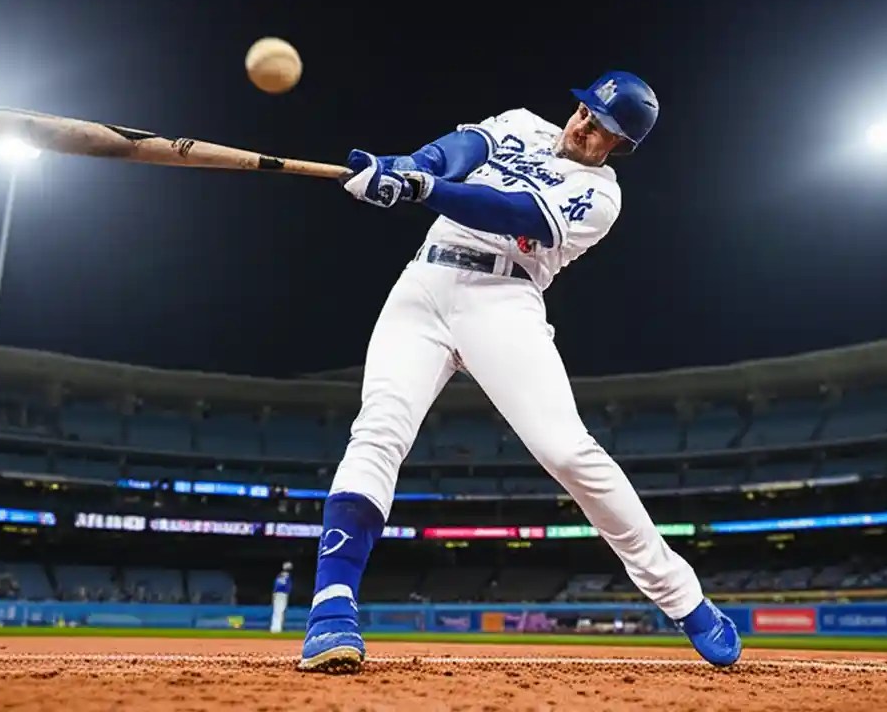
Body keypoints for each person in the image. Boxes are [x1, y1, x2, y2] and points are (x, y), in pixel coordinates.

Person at [297, 70, 741, 674]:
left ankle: (685, 600)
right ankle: (331, 608)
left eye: (602, 128)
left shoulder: (601, 195)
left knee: (567, 452)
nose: (585, 127)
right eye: (586, 112)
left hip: (502, 301)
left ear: (620, 144)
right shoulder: (523, 123)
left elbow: (512, 212)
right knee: (378, 431)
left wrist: (420, 187)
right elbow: (458, 152)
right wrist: (402, 166)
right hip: (424, 283)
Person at [271, 561, 293, 633]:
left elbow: (276, 585)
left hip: (277, 594)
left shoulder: (279, 575)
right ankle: (277, 629)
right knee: (280, 611)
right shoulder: (287, 576)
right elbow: (288, 587)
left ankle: (275, 628)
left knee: (276, 611)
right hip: (283, 594)